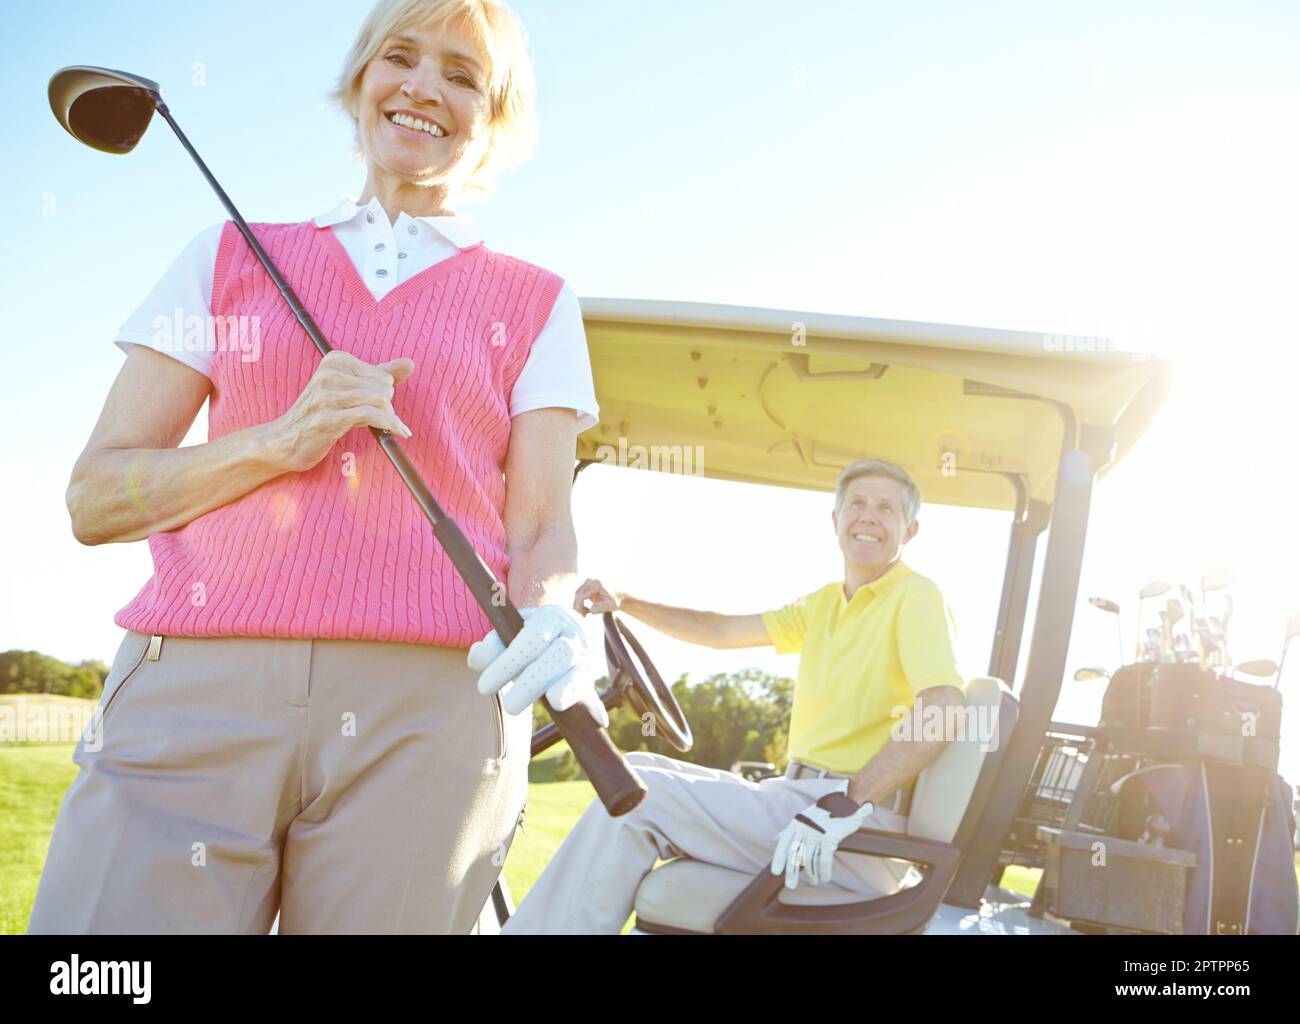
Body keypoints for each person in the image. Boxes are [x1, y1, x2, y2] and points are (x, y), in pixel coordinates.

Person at [28, 0, 606, 936]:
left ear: (496, 117)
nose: (424, 86)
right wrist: (281, 440)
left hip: (430, 712)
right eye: (401, 57)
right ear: (361, 80)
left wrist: (554, 609)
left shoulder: (539, 302)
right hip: (196, 686)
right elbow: (95, 500)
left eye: (463, 75)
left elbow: (542, 527)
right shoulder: (225, 256)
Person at [502, 459, 969, 934]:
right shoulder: (826, 604)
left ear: (909, 530)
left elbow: (944, 705)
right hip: (802, 800)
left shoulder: (915, 595)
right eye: (858, 504)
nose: (868, 516)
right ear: (836, 520)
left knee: (639, 794)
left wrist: (847, 802)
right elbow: (722, 631)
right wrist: (628, 602)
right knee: (636, 770)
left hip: (852, 826)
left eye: (886, 508)